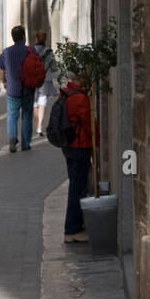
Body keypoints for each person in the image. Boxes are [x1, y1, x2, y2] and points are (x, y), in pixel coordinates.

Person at [59, 76, 94, 243]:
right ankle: (72, 230)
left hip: (68, 147)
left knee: (76, 185)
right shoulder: (79, 98)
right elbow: (88, 125)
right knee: (77, 188)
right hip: (80, 146)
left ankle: (74, 228)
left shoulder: (65, 94)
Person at [0, 25, 34, 152]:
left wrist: (4, 82)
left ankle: (12, 137)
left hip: (13, 89)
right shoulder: (30, 50)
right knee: (27, 115)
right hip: (28, 88)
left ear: (13, 38)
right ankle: (25, 143)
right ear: (24, 37)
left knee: (12, 116)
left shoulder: (6, 52)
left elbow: (1, 70)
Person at [32, 29, 57, 138]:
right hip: (45, 81)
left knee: (34, 103)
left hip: (33, 80)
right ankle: (39, 128)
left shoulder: (31, 51)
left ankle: (36, 124)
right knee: (42, 103)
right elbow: (54, 68)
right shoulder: (49, 52)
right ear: (45, 39)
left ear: (36, 39)